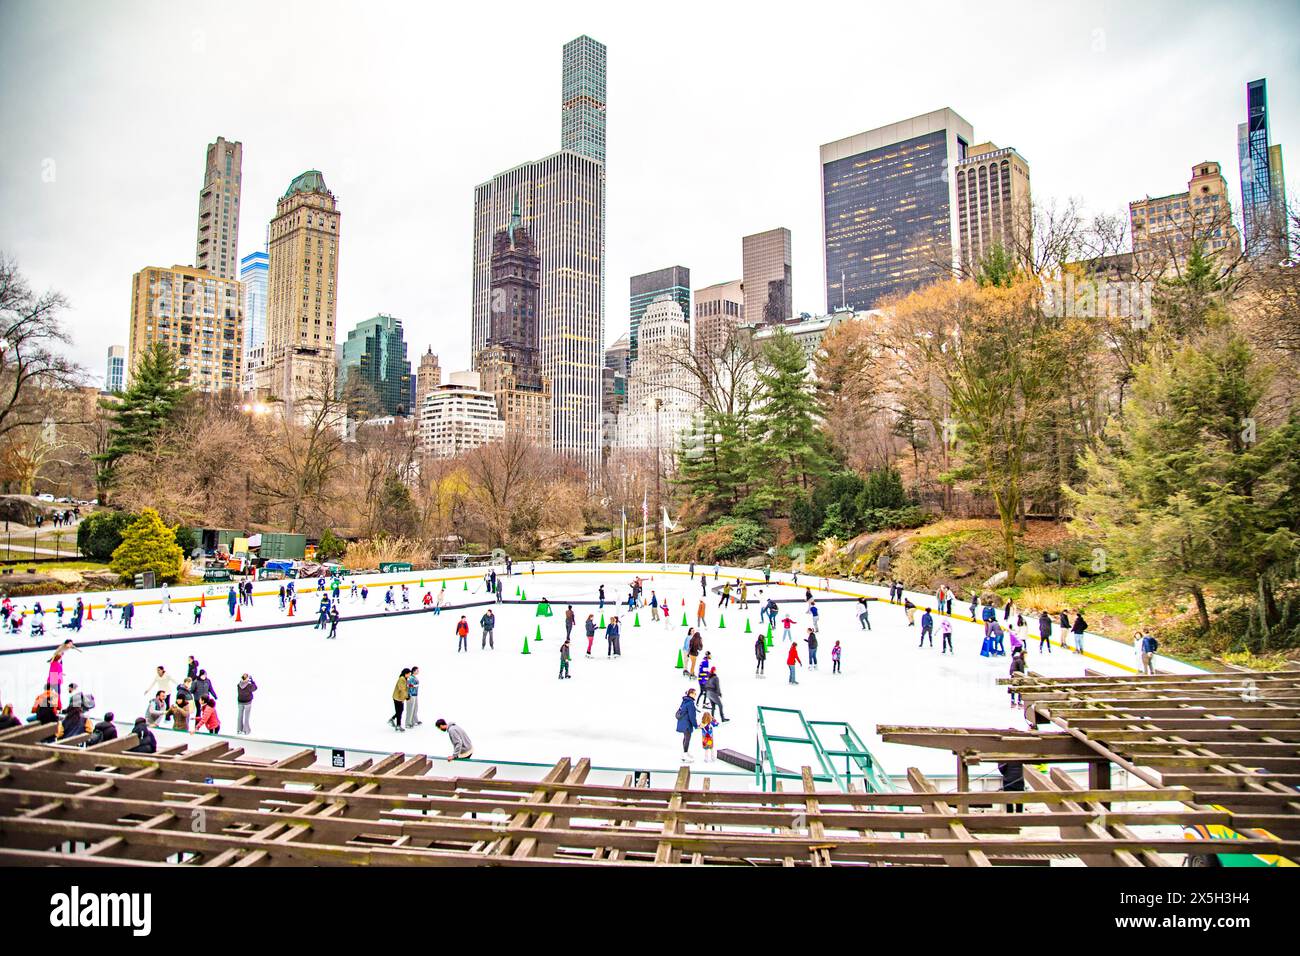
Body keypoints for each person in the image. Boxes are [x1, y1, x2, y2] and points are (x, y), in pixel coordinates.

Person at [675, 688, 699, 762]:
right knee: (687, 738)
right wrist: (696, 725)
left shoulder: (685, 700)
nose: (695, 695)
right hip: (686, 724)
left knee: (685, 738)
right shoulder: (690, 703)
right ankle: (685, 754)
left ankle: (685, 753)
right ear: (690, 694)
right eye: (694, 693)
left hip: (682, 722)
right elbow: (692, 716)